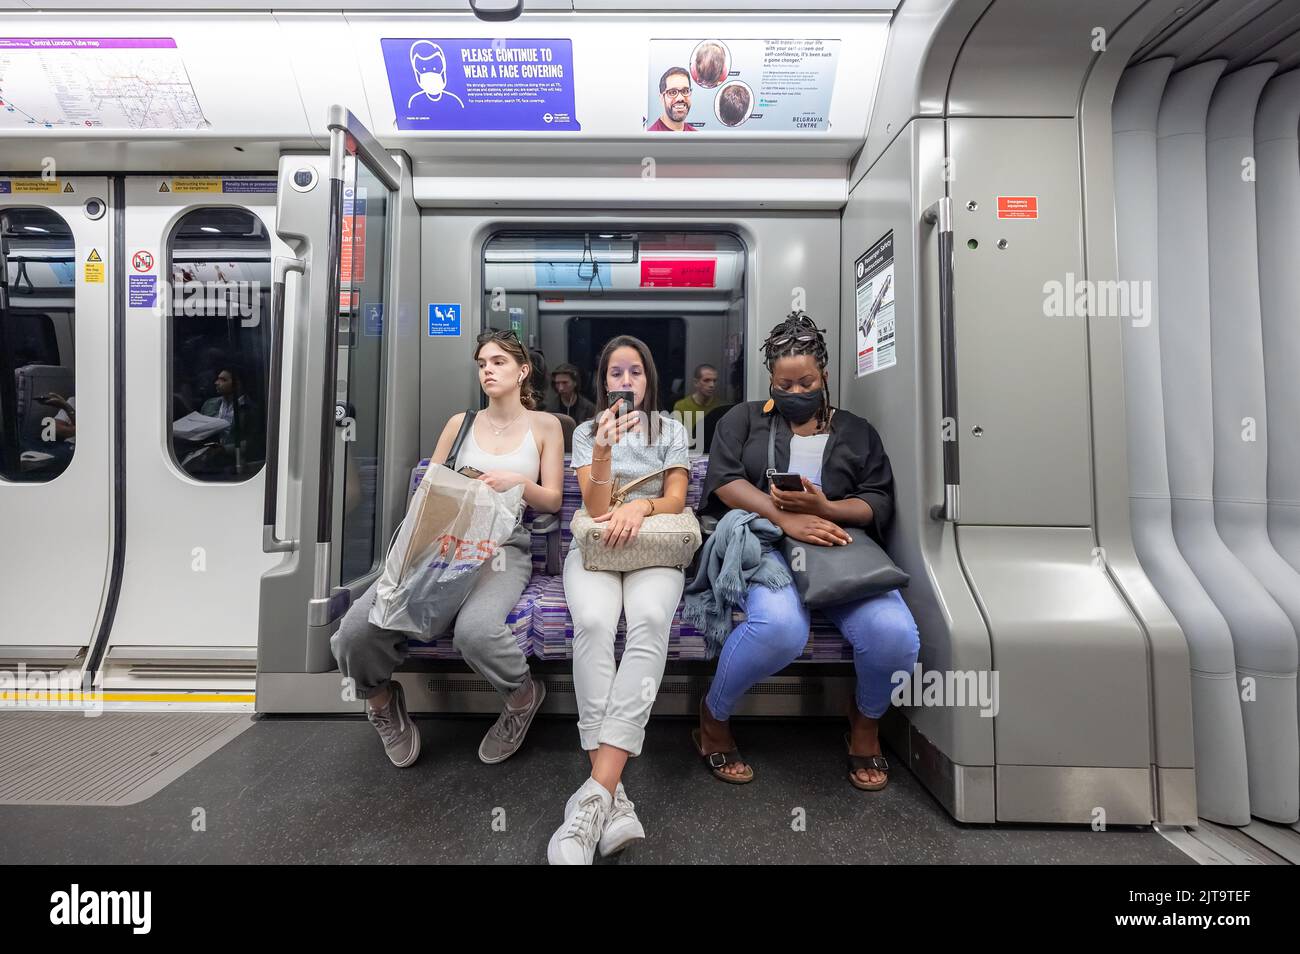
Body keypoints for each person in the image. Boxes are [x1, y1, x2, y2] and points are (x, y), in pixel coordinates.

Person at [694, 312, 920, 790]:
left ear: (825, 376)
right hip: (765, 543)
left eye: (807, 383)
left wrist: (826, 507)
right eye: (785, 385)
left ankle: (865, 719)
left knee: (894, 634)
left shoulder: (856, 430)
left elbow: (877, 499)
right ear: (770, 381)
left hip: (836, 543)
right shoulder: (743, 420)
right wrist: (784, 518)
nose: (796, 392)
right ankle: (713, 717)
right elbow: (726, 481)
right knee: (778, 629)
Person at [331, 329, 564, 768]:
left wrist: (516, 482)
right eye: (482, 364)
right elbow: (430, 488)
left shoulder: (546, 426)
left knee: (476, 632)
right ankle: (381, 701)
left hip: (502, 547)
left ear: (522, 371)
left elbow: (551, 499)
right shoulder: (460, 424)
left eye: (498, 362)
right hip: (446, 540)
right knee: (355, 632)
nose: (487, 370)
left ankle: (522, 696)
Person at [548, 335, 691, 864]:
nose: (625, 381)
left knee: (650, 619)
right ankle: (615, 799)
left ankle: (593, 798)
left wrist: (640, 507)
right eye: (616, 373)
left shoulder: (671, 430)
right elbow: (594, 505)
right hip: (598, 548)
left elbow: (676, 498)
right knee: (592, 623)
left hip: (654, 546)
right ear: (603, 381)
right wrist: (604, 450)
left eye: (635, 372)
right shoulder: (587, 433)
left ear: (648, 379)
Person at [672, 363, 720, 443]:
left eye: (714, 381)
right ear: (696, 382)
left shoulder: (721, 406)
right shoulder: (681, 406)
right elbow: (678, 438)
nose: (712, 385)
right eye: (706, 380)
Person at [647, 67, 696, 132]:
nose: (680, 98)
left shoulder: (695, 135)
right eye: (672, 92)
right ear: (662, 98)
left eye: (685, 91)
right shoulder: (652, 136)